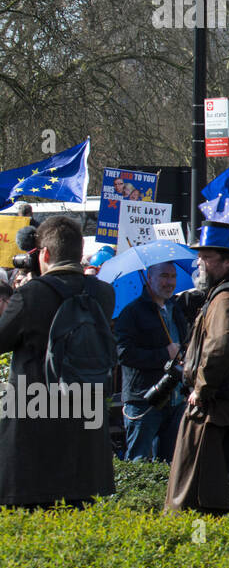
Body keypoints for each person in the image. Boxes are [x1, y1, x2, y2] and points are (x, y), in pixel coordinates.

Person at [0, 216, 115, 508]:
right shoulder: (104, 294)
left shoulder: (30, 294)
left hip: (33, 425)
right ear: (79, 253)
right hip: (85, 429)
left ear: (45, 254)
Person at [165, 222, 229, 514]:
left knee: (208, 489)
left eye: (207, 257)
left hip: (222, 409)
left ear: (226, 261)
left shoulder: (226, 298)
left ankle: (212, 546)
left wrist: (202, 387)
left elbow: (222, 343)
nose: (200, 263)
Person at [116, 262, 188, 462]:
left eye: (173, 277)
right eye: (164, 276)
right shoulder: (132, 313)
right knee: (139, 461)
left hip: (174, 397)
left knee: (170, 463)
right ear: (149, 277)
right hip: (144, 400)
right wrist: (163, 353)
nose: (170, 282)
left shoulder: (175, 309)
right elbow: (123, 354)